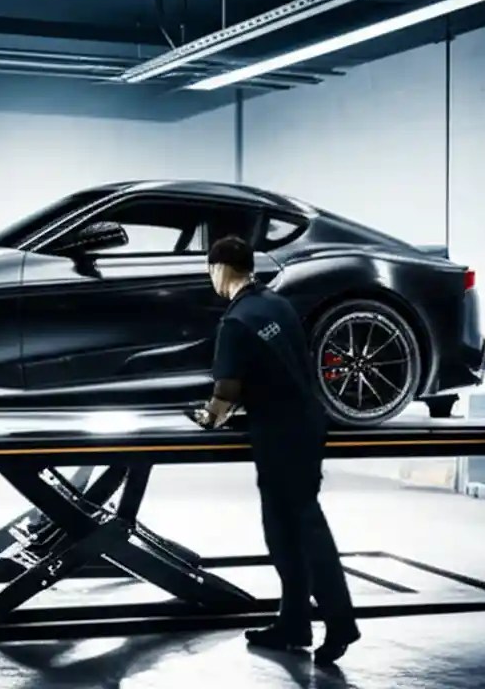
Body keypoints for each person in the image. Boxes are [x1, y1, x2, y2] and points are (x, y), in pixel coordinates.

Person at [189, 235, 361, 666]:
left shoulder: (236, 321)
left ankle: (340, 622)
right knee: (284, 531)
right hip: (305, 426)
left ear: (220, 269)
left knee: (303, 530)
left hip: (279, 435)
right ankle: (294, 624)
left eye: (210, 269)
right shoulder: (277, 304)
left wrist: (208, 418)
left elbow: (226, 393)